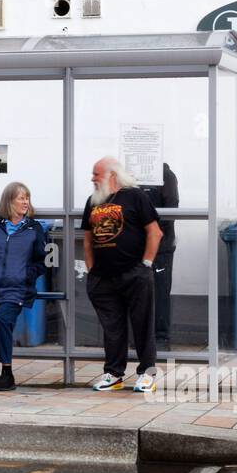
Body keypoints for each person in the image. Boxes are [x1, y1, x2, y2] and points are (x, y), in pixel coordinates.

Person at [83, 156, 163, 393]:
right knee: (112, 328)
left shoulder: (136, 197)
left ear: (112, 175)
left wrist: (146, 264)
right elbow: (87, 240)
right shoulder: (93, 201)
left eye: (96, 174)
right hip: (103, 278)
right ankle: (114, 374)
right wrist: (92, 271)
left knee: (142, 325)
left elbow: (155, 232)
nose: (92, 179)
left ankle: (147, 373)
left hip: (135, 274)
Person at [0, 182, 49, 392]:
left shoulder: (34, 228)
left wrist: (24, 276)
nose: (25, 202)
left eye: (27, 198)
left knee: (1, 320)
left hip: (17, 289)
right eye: (21, 198)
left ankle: (7, 372)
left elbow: (41, 262)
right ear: (9, 201)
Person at [140, 163, 179, 346]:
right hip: (138, 245)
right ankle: (142, 338)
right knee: (138, 292)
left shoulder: (165, 176)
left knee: (160, 292)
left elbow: (169, 212)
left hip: (160, 246)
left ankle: (161, 338)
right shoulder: (133, 176)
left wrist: (149, 230)